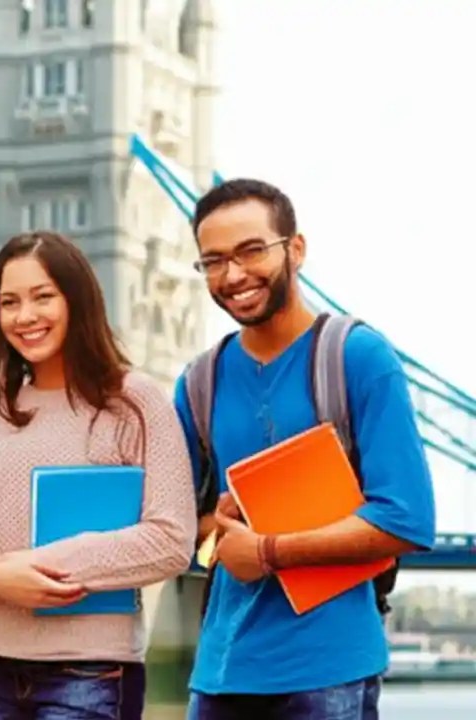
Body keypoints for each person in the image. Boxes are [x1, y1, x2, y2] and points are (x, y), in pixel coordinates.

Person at [177, 178, 436, 718]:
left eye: (252, 251)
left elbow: (405, 519)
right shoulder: (199, 382)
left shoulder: (359, 357)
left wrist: (267, 550)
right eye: (214, 261)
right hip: (220, 674)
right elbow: (177, 524)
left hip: (329, 672)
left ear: (295, 249)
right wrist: (220, 529)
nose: (234, 275)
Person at [0, 232, 196, 719]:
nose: (25, 316)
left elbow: (172, 538)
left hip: (92, 671)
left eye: (42, 296)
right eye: (9, 302)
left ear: (77, 299)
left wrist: (39, 567)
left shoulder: (136, 403)